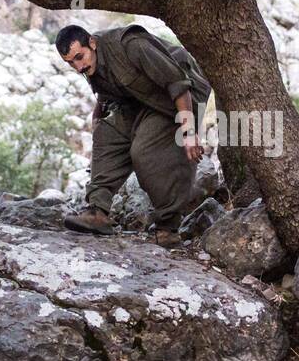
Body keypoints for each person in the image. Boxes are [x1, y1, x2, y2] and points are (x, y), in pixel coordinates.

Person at [55, 23, 211, 246]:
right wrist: (98, 123)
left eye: (79, 57)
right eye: (71, 63)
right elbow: (105, 92)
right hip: (139, 102)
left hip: (180, 98)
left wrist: (188, 131)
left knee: (144, 151)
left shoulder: (131, 45)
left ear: (92, 43)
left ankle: (168, 227)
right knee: (105, 131)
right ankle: (97, 211)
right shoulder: (91, 62)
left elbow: (178, 84)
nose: (78, 66)